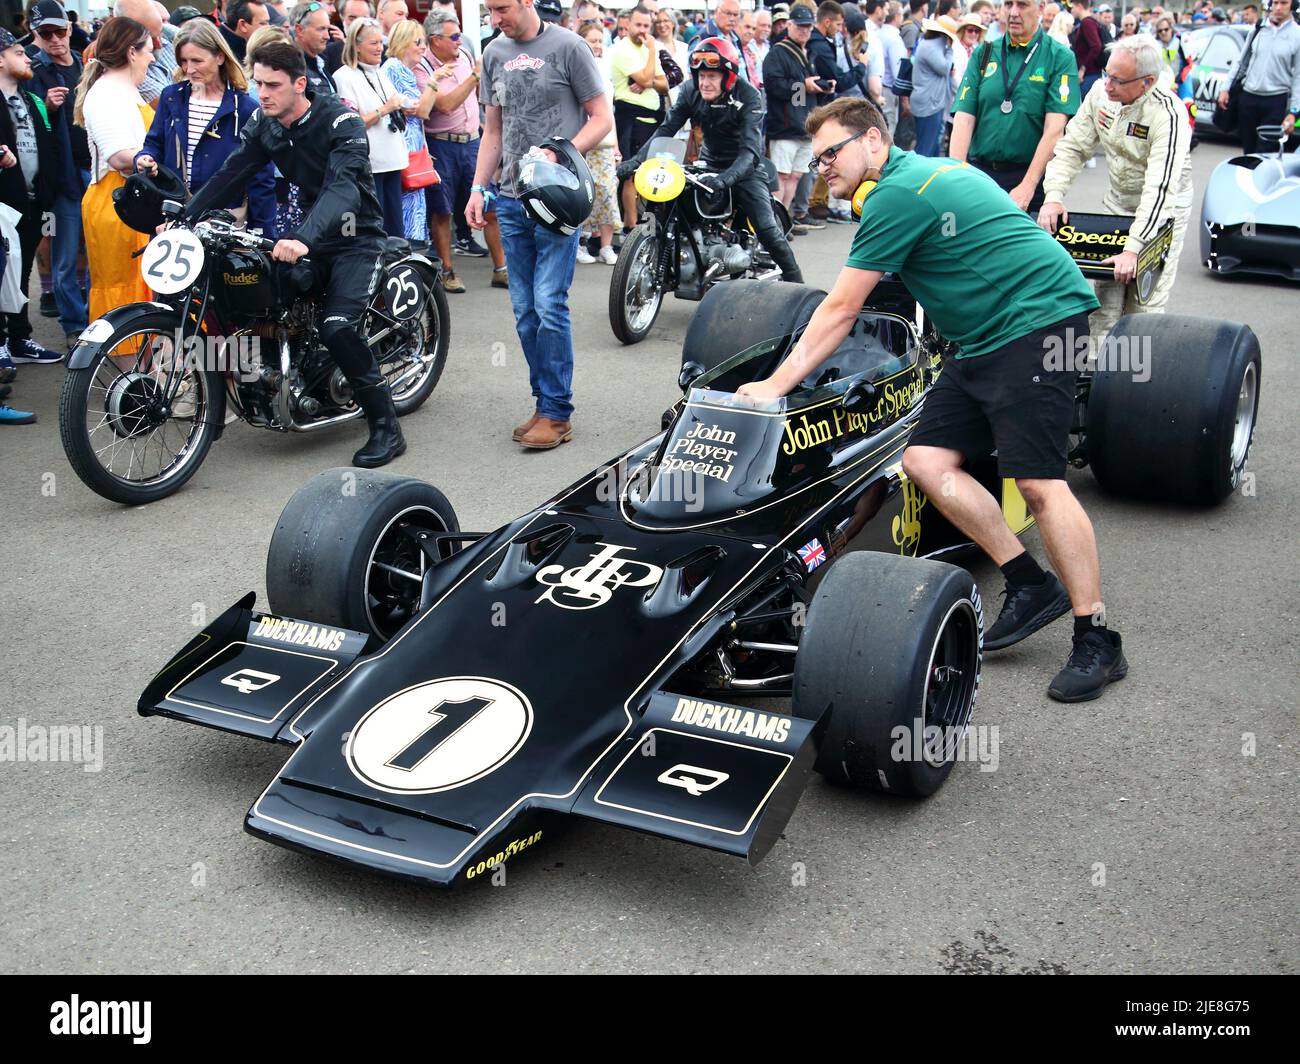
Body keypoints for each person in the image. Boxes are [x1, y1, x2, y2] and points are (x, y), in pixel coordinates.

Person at [738, 97, 1124, 702]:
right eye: (815, 160)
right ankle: (1028, 583)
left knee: (1038, 485)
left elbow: (840, 309)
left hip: (1038, 324)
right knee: (924, 461)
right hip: (981, 338)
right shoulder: (923, 172)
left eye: (832, 153)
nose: (823, 168)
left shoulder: (896, 195)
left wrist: (775, 384)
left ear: (872, 141)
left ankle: (1097, 637)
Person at [183, 39, 405, 467]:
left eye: (272, 85)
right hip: (309, 235)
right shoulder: (265, 123)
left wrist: (303, 237)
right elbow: (234, 171)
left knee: (338, 325)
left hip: (357, 237)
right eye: (258, 83)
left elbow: (342, 187)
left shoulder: (341, 122)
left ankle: (386, 427)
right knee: (261, 301)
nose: (262, 92)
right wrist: (187, 216)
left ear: (300, 83)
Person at [467, 0, 613, 451]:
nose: (496, 19)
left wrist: (559, 151)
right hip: (510, 200)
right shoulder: (493, 53)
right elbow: (493, 130)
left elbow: (602, 118)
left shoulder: (569, 47)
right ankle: (544, 401)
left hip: (556, 198)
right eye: (490, 11)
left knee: (549, 302)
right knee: (525, 310)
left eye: (503, 8)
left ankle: (556, 413)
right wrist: (478, 187)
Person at [1040, 33, 1192, 341]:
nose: (1107, 84)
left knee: (1142, 307)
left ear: (1146, 82)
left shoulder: (1169, 114)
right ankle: (1097, 379)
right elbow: (1072, 147)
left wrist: (1135, 248)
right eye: (1106, 73)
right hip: (1118, 205)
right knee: (1106, 302)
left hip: (1164, 213)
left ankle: (1134, 384)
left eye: (1117, 80)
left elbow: (1160, 189)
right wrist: (1053, 196)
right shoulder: (1100, 93)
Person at [618, 36, 804, 280]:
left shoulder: (749, 96)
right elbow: (666, 128)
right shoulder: (689, 90)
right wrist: (636, 161)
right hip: (708, 162)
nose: (705, 82)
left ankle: (797, 285)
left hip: (745, 168)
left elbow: (750, 151)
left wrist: (726, 179)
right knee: (672, 202)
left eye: (712, 76)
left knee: (767, 230)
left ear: (727, 76)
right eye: (701, 76)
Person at [137, 17, 276, 237]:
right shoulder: (171, 97)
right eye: (183, 61)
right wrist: (145, 158)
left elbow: (260, 178)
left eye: (197, 60)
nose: (189, 69)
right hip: (173, 217)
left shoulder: (246, 107)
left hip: (223, 225)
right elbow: (154, 143)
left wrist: (264, 235)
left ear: (220, 56)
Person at [949, 0, 1080, 214]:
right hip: (980, 174)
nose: (1013, 12)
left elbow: (1055, 129)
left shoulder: (1059, 57)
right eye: (1008, 4)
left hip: (1029, 178)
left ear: (1040, 8)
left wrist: (1027, 186)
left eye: (1022, 5)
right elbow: (964, 118)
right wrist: (956, 176)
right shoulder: (984, 53)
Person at [418, 7, 507, 293]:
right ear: (435, 40)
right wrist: (474, 77)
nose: (459, 40)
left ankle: (501, 269)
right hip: (440, 144)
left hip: (471, 142)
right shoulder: (423, 67)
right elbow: (443, 105)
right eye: (453, 35)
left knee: (489, 205)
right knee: (443, 211)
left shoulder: (465, 57)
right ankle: (447, 270)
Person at [75, 16, 155, 320]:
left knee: (141, 292)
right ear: (131, 52)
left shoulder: (125, 90)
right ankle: (125, 366)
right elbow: (118, 155)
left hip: (132, 200)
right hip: (118, 203)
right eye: (148, 50)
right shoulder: (107, 93)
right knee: (124, 296)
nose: (152, 57)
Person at [0, 26, 65, 376]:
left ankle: (19, 338)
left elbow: (47, 146)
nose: (28, 58)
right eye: (19, 53)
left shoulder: (32, 99)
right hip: (2, 205)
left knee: (21, 273)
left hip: (32, 201)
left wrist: (47, 193)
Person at [28, 0, 88, 349]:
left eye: (60, 31)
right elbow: (28, 128)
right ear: (36, 34)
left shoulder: (85, 64)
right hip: (63, 177)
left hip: (93, 172)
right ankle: (74, 324)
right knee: (65, 257)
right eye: (45, 33)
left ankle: (98, 320)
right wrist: (46, 107)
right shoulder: (35, 71)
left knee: (97, 252)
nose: (54, 39)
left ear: (69, 27)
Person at [333, 15, 408, 237]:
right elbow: (352, 124)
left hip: (392, 161)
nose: (380, 48)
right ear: (356, 45)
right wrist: (385, 109)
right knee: (376, 228)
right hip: (370, 165)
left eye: (381, 42)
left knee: (396, 229)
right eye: (373, 43)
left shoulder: (379, 72)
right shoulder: (344, 77)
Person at [766, 4, 830, 214]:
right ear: (790, 25)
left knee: (795, 175)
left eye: (808, 27)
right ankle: (776, 223)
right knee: (782, 176)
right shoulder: (778, 52)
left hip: (802, 126)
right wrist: (805, 85)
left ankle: (783, 222)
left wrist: (820, 88)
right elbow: (775, 87)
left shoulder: (805, 53)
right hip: (785, 127)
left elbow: (797, 94)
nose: (805, 30)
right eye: (801, 26)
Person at [608, 6, 667, 232]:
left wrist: (647, 82)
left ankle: (646, 223)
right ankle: (630, 226)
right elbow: (643, 76)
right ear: (629, 24)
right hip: (630, 117)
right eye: (639, 25)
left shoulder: (646, 49)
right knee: (632, 173)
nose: (643, 30)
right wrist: (652, 51)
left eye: (646, 26)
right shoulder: (623, 49)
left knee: (651, 173)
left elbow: (663, 84)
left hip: (653, 118)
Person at [380, 18, 437, 243]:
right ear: (403, 42)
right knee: (407, 205)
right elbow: (420, 110)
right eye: (418, 41)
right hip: (402, 150)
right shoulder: (394, 68)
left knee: (414, 202)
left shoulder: (404, 69)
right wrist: (435, 81)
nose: (423, 47)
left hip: (412, 150)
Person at [1218, 0, 1300, 154]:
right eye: (1275, 3)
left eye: (1283, 3)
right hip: (1249, 98)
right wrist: (1225, 88)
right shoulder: (1258, 29)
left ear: (1292, 6)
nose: (1278, 7)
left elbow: (1298, 78)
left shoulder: (1297, 35)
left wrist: (1293, 113)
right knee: (1248, 152)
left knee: (1265, 152)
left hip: (1275, 101)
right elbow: (1241, 62)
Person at [575, 18, 620, 264]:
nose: (597, 45)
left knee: (607, 191)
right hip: (581, 139)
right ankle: (580, 243)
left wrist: (616, 145)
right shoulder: (575, 65)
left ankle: (606, 246)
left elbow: (610, 110)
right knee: (581, 193)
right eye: (592, 41)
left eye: (600, 41)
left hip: (605, 140)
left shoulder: (605, 67)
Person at [910, 16, 956, 155]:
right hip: (929, 104)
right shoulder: (932, 46)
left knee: (932, 146)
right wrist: (950, 51)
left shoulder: (928, 43)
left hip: (929, 102)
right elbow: (944, 68)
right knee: (925, 149)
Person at [292, 0, 336, 94]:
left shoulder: (321, 62)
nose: (327, 36)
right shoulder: (292, 67)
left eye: (327, 29)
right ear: (299, 30)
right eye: (321, 29)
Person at [1070, 0, 1105, 98]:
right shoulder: (1091, 21)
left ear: (1080, 6)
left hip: (1089, 75)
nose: (1071, 10)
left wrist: (1083, 68)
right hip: (1091, 74)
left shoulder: (1087, 23)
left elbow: (1096, 46)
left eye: (1073, 7)